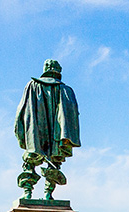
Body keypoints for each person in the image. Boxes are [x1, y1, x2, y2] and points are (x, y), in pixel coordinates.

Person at [14, 59, 80, 200]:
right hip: (58, 134)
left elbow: (21, 112)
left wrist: (21, 133)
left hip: (35, 131)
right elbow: (72, 116)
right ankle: (48, 193)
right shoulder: (66, 90)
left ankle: (27, 192)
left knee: (30, 160)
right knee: (54, 161)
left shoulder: (32, 85)